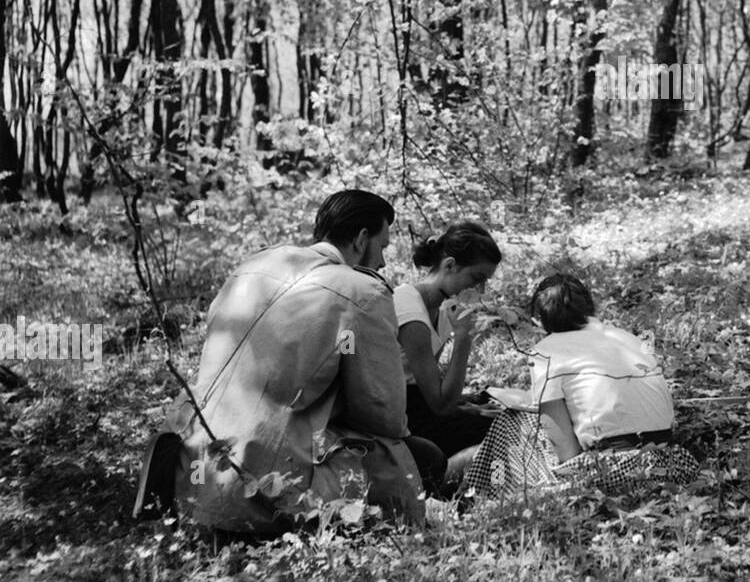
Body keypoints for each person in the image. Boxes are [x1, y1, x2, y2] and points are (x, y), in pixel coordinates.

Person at [137, 191, 430, 534]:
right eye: (382, 246)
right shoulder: (363, 292)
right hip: (263, 491)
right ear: (362, 239)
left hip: (186, 473)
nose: (381, 262)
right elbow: (384, 415)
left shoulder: (252, 266)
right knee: (414, 455)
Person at [460, 273, 700, 500]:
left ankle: (482, 495)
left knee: (511, 421)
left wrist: (572, 474)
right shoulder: (629, 338)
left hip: (614, 469)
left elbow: (564, 446)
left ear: (541, 319)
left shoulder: (545, 351)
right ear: (589, 306)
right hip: (674, 463)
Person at [393, 222, 502, 482]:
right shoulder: (410, 310)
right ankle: (444, 481)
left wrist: (466, 405)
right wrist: (464, 337)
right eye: (477, 279)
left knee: (491, 407)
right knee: (494, 427)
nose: (481, 291)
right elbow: (441, 404)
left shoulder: (442, 309)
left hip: (415, 401)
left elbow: (430, 386)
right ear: (450, 265)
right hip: (397, 414)